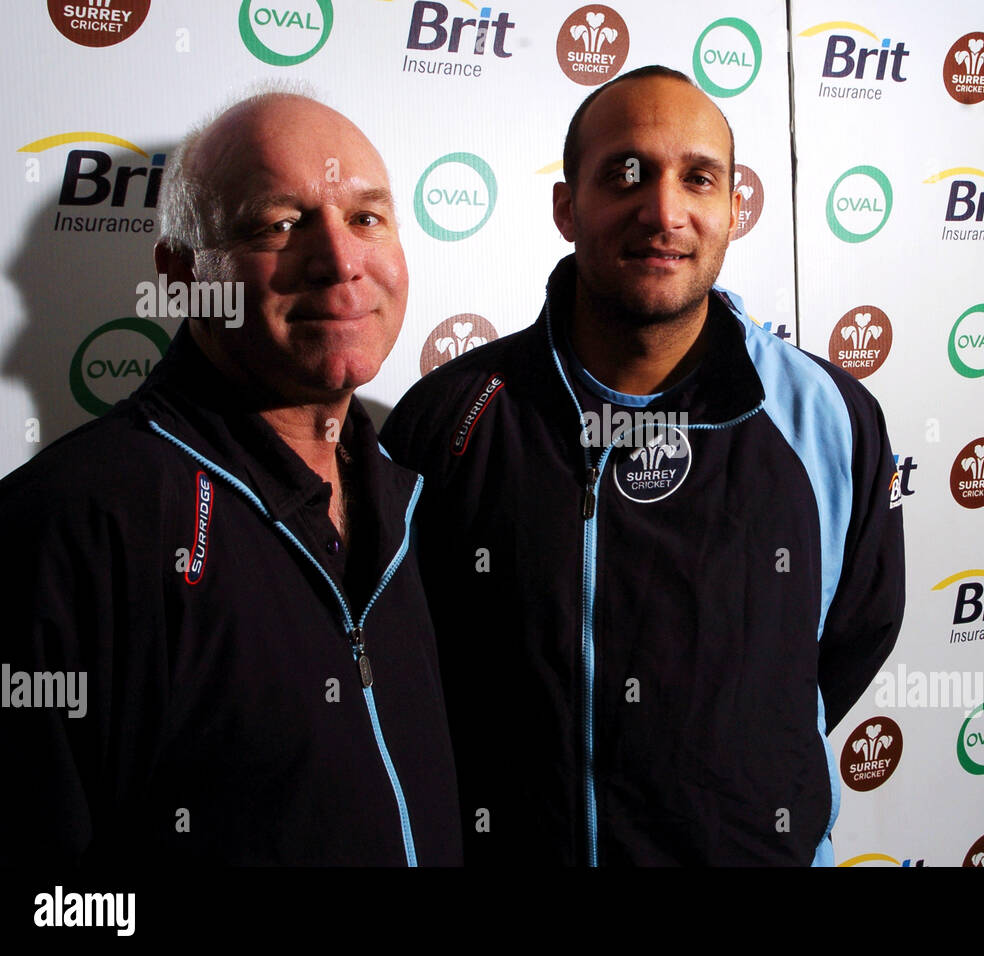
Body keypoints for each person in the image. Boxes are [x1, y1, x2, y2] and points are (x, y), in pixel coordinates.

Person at [381, 66, 904, 866]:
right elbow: (408, 672)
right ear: (567, 207)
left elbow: (848, 641)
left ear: (734, 207)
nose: (664, 211)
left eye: (698, 178)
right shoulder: (453, 417)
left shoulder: (830, 418)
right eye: (626, 173)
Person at [0, 92, 461, 865]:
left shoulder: (410, 500)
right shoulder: (69, 527)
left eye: (367, 218)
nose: (341, 260)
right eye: (278, 225)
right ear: (180, 273)